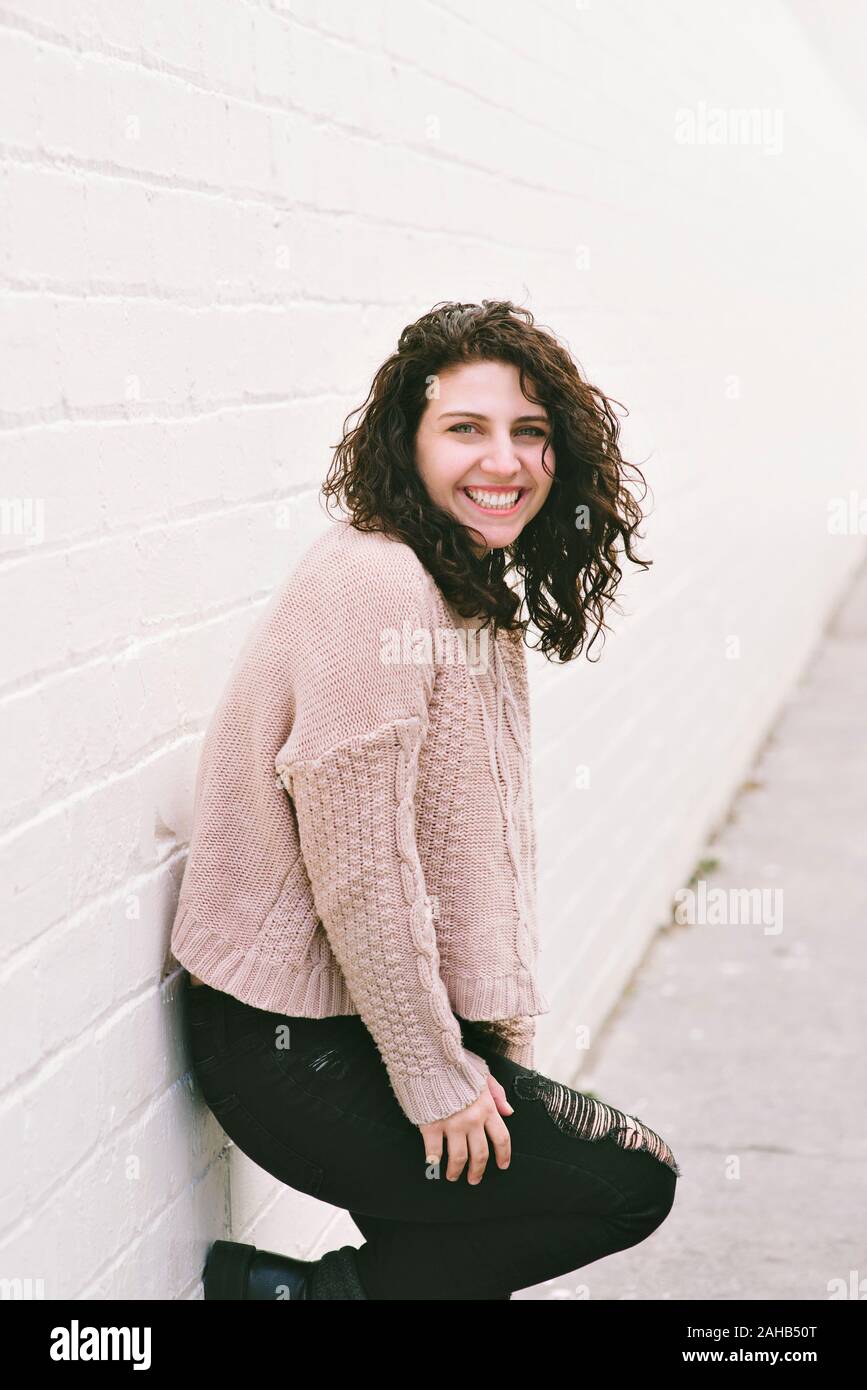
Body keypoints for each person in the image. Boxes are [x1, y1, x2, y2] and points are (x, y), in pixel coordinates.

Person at [171, 299, 680, 1301]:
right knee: (626, 1182)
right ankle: (286, 1298)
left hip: (370, 1019)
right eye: (466, 429)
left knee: (481, 1241)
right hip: (289, 1044)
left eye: (530, 432)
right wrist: (438, 1075)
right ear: (408, 442)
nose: (506, 460)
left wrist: (498, 1054)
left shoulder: (467, 589)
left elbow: (474, 856)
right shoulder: (377, 584)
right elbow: (363, 873)